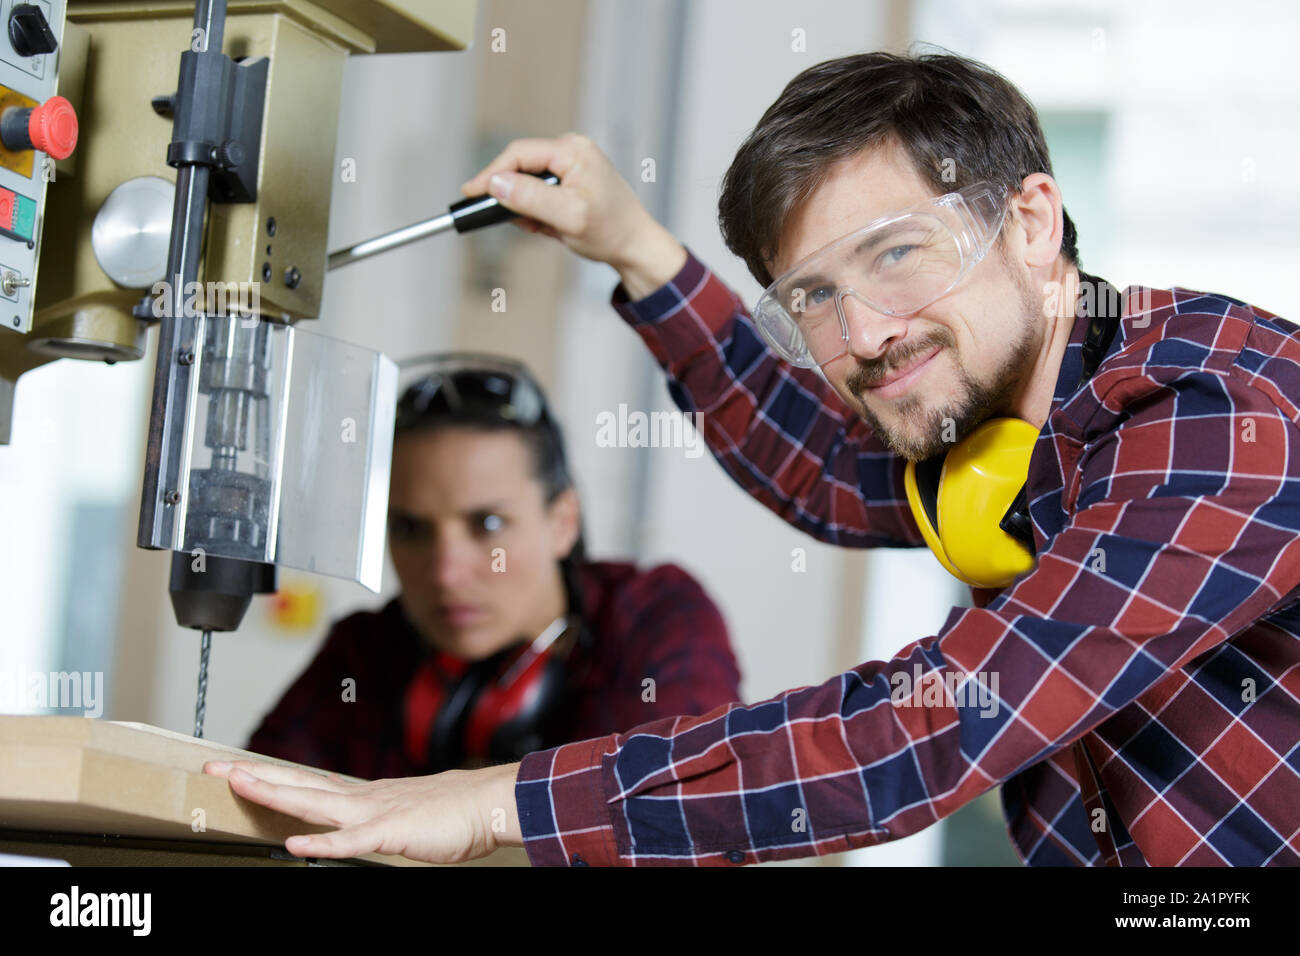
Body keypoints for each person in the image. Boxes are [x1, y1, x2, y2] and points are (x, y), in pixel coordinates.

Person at [207, 51, 1300, 867]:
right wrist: (634, 246)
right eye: (815, 295)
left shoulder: (1217, 418)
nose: (863, 335)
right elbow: (822, 463)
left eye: (898, 253)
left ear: (1030, 221)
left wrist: (503, 802)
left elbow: (926, 726)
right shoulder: (997, 413)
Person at [245, 352, 741, 779]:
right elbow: (249, 816)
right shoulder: (364, 652)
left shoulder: (659, 618)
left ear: (563, 521)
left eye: (486, 524)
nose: (445, 573)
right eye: (412, 530)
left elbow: (675, 814)